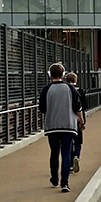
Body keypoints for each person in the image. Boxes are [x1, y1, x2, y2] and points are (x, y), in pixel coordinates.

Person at [40, 62, 84, 192]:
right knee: (66, 153)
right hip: (68, 126)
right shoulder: (70, 89)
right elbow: (78, 107)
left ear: (50, 75)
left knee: (54, 152)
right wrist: (81, 121)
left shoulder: (46, 89)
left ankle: (54, 178)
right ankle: (64, 183)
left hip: (52, 125)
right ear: (63, 74)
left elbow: (42, 108)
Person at [65, 71, 85, 173]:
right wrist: (82, 121)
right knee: (78, 141)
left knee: (68, 142)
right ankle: (76, 156)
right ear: (75, 80)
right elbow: (84, 105)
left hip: (67, 119)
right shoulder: (79, 91)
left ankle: (70, 163)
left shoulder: (65, 91)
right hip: (78, 119)